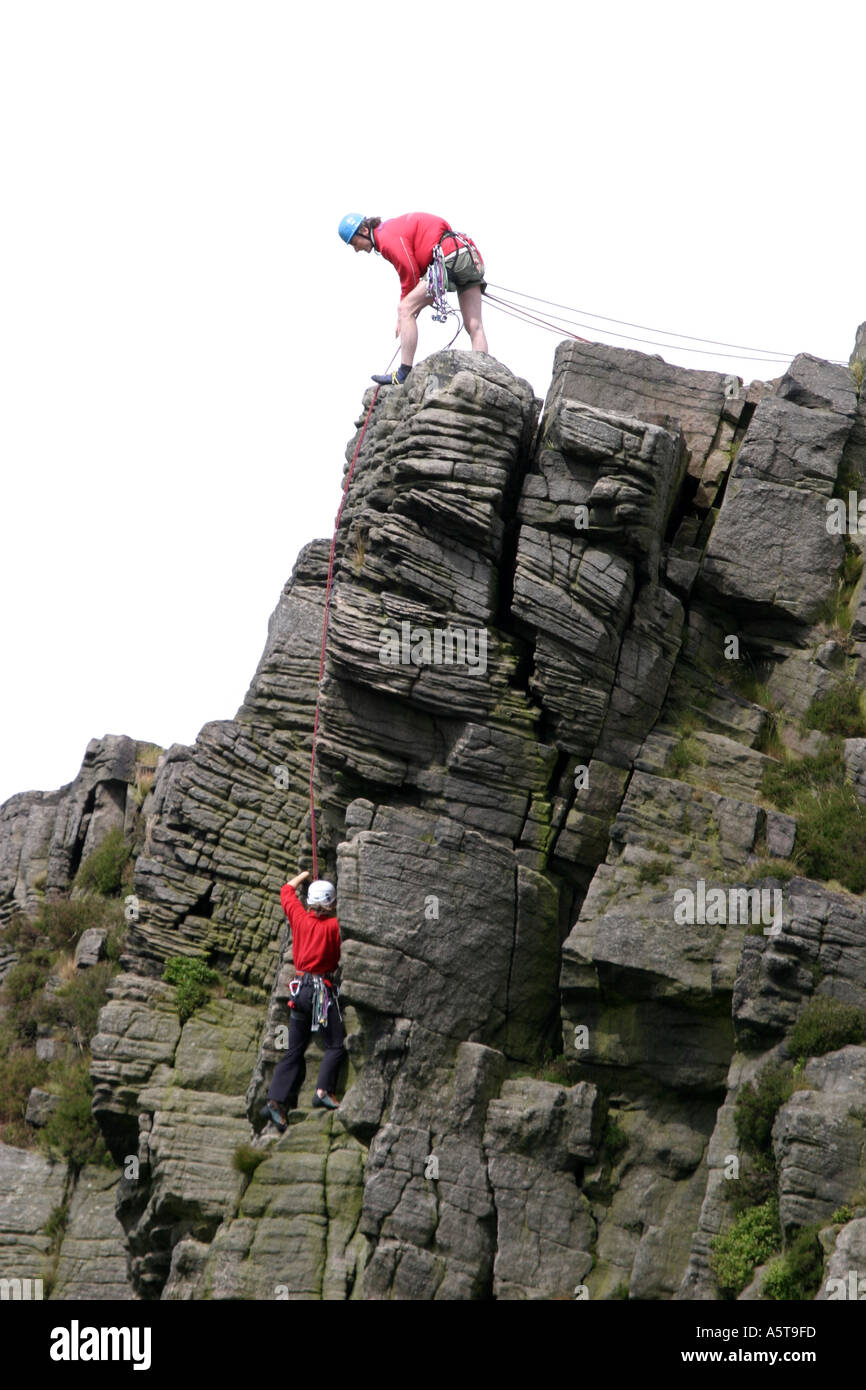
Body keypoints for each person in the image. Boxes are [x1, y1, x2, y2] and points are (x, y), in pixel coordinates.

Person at [338, 211, 489, 386]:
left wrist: (406, 311)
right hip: (467, 256)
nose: (356, 249)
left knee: (404, 309)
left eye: (354, 243)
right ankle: (483, 375)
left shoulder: (385, 237)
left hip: (449, 258)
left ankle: (403, 372)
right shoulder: (390, 229)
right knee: (475, 325)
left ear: (364, 230)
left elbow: (409, 271)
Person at [264, 870, 346, 1131]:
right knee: (336, 1043)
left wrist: (304, 875)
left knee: (294, 1050)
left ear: (310, 902)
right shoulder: (335, 927)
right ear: (332, 903)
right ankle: (322, 1091)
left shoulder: (299, 918)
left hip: (299, 991)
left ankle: (275, 1101)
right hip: (321, 990)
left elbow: (285, 890)